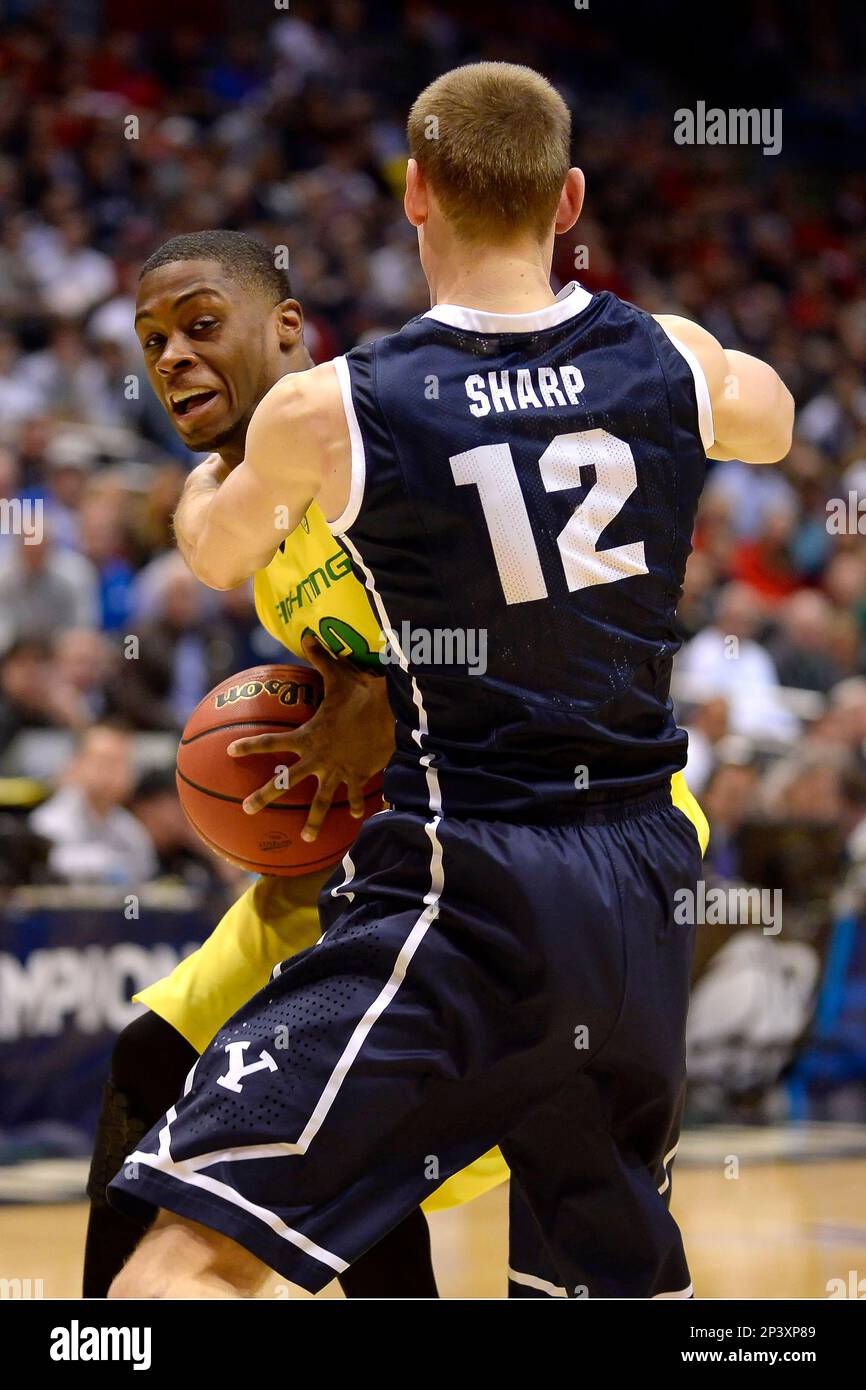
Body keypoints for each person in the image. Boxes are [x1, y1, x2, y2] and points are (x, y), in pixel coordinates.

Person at [108, 62, 791, 1300]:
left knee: (191, 1252)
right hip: (640, 884)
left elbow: (212, 550)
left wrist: (228, 474)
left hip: (465, 873)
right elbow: (774, 419)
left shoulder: (337, 407)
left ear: (413, 194)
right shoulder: (670, 358)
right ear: (568, 195)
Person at [85, 229, 504, 1301]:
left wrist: (386, 693)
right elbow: (337, 677)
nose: (171, 354)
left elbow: (517, 617)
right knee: (154, 1057)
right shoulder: (247, 509)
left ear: (286, 328)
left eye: (199, 324)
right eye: (153, 339)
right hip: (375, 850)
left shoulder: (375, 430)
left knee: (359, 1120)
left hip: (505, 843)